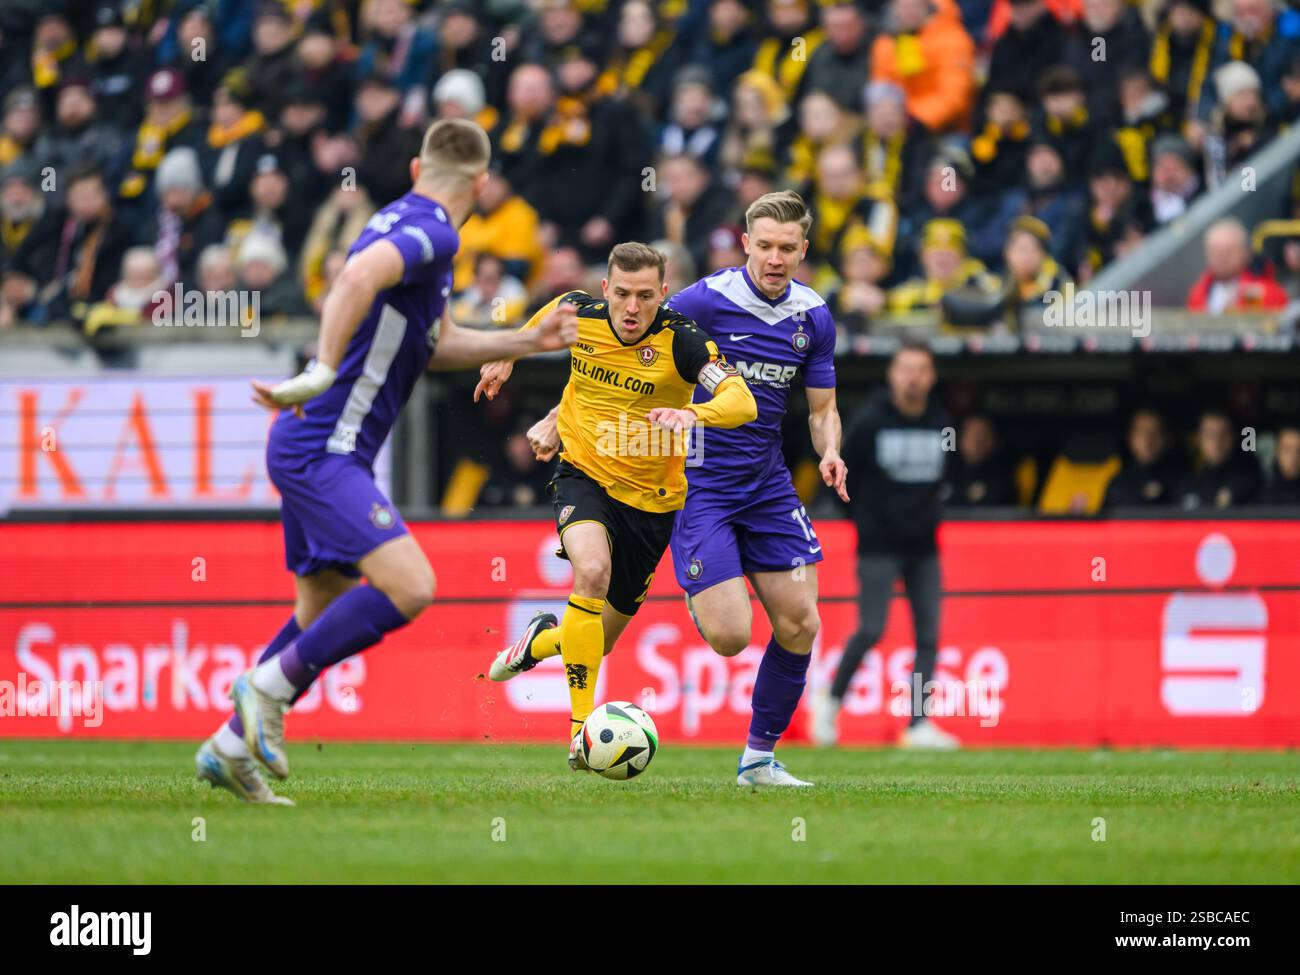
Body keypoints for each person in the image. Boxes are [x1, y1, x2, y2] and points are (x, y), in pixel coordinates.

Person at [194, 119, 579, 804]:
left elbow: (431, 341)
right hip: (324, 447)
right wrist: (321, 366)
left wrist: (525, 338)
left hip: (319, 444)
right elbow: (354, 277)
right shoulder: (438, 231)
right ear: (482, 184)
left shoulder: (399, 220)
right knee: (411, 585)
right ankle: (262, 688)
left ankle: (229, 745)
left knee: (322, 607)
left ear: (414, 167)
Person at [472, 242, 757, 768]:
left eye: (645, 296)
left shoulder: (685, 343)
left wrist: (696, 417)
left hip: (652, 505)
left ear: (663, 295)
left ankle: (539, 643)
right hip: (583, 475)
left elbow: (743, 401)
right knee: (593, 570)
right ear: (605, 290)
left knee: (596, 642)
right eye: (622, 294)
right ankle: (581, 734)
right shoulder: (579, 313)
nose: (631, 308)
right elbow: (535, 329)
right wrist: (505, 356)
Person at [665, 190, 848, 786]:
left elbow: (822, 409)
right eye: (764, 246)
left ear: (803, 250)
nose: (774, 258)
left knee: (801, 621)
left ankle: (758, 761)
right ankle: (705, 588)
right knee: (730, 636)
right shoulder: (705, 301)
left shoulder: (813, 316)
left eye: (786, 248)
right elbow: (634, 351)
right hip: (701, 485)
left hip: (767, 486)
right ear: (746, 243)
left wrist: (831, 452)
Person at [815, 342, 958, 749]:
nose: (913, 377)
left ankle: (918, 723)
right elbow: (843, 474)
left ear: (931, 377)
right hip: (878, 545)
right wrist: (863, 522)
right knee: (872, 628)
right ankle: (830, 704)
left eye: (921, 369)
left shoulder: (942, 423)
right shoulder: (870, 422)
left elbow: (950, 472)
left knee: (928, 634)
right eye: (906, 368)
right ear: (892, 375)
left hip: (925, 547)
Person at [1103, 408, 1185, 507]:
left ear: (1168, 439)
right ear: (1130, 439)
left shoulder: (1182, 482)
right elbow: (1104, 519)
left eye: (1155, 433)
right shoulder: (1118, 484)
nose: (1148, 440)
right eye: (1141, 432)